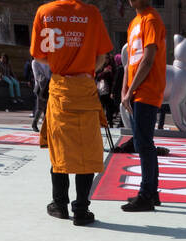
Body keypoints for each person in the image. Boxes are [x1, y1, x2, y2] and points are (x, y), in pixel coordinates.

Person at [31, 0, 112, 225]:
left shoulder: (45, 12)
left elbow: (38, 55)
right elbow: (102, 57)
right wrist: (85, 70)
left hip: (60, 88)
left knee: (60, 151)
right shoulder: (92, 13)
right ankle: (82, 209)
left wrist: (60, 65)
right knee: (86, 151)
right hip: (85, 88)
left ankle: (59, 205)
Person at [120, 0, 164, 212]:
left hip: (147, 90)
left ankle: (147, 194)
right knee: (143, 142)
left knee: (143, 143)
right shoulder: (134, 22)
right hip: (136, 91)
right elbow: (130, 61)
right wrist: (124, 88)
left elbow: (148, 59)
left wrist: (130, 90)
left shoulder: (151, 19)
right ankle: (151, 192)